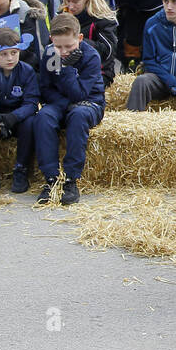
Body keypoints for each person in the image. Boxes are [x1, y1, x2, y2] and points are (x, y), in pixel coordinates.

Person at [33, 12, 106, 206]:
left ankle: (71, 179)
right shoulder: (50, 54)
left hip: (89, 103)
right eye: (58, 46)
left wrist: (64, 68)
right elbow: (45, 89)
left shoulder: (90, 56)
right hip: (59, 103)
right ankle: (51, 179)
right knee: (43, 117)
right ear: (51, 40)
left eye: (69, 46)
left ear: (79, 38)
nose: (63, 51)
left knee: (78, 116)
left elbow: (80, 94)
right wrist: (62, 104)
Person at [0, 25, 40, 196]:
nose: (10, 58)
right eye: (3, 54)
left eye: (14, 53)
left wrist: (14, 117)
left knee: (30, 125)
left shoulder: (27, 71)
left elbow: (32, 102)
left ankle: (21, 170)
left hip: (18, 116)